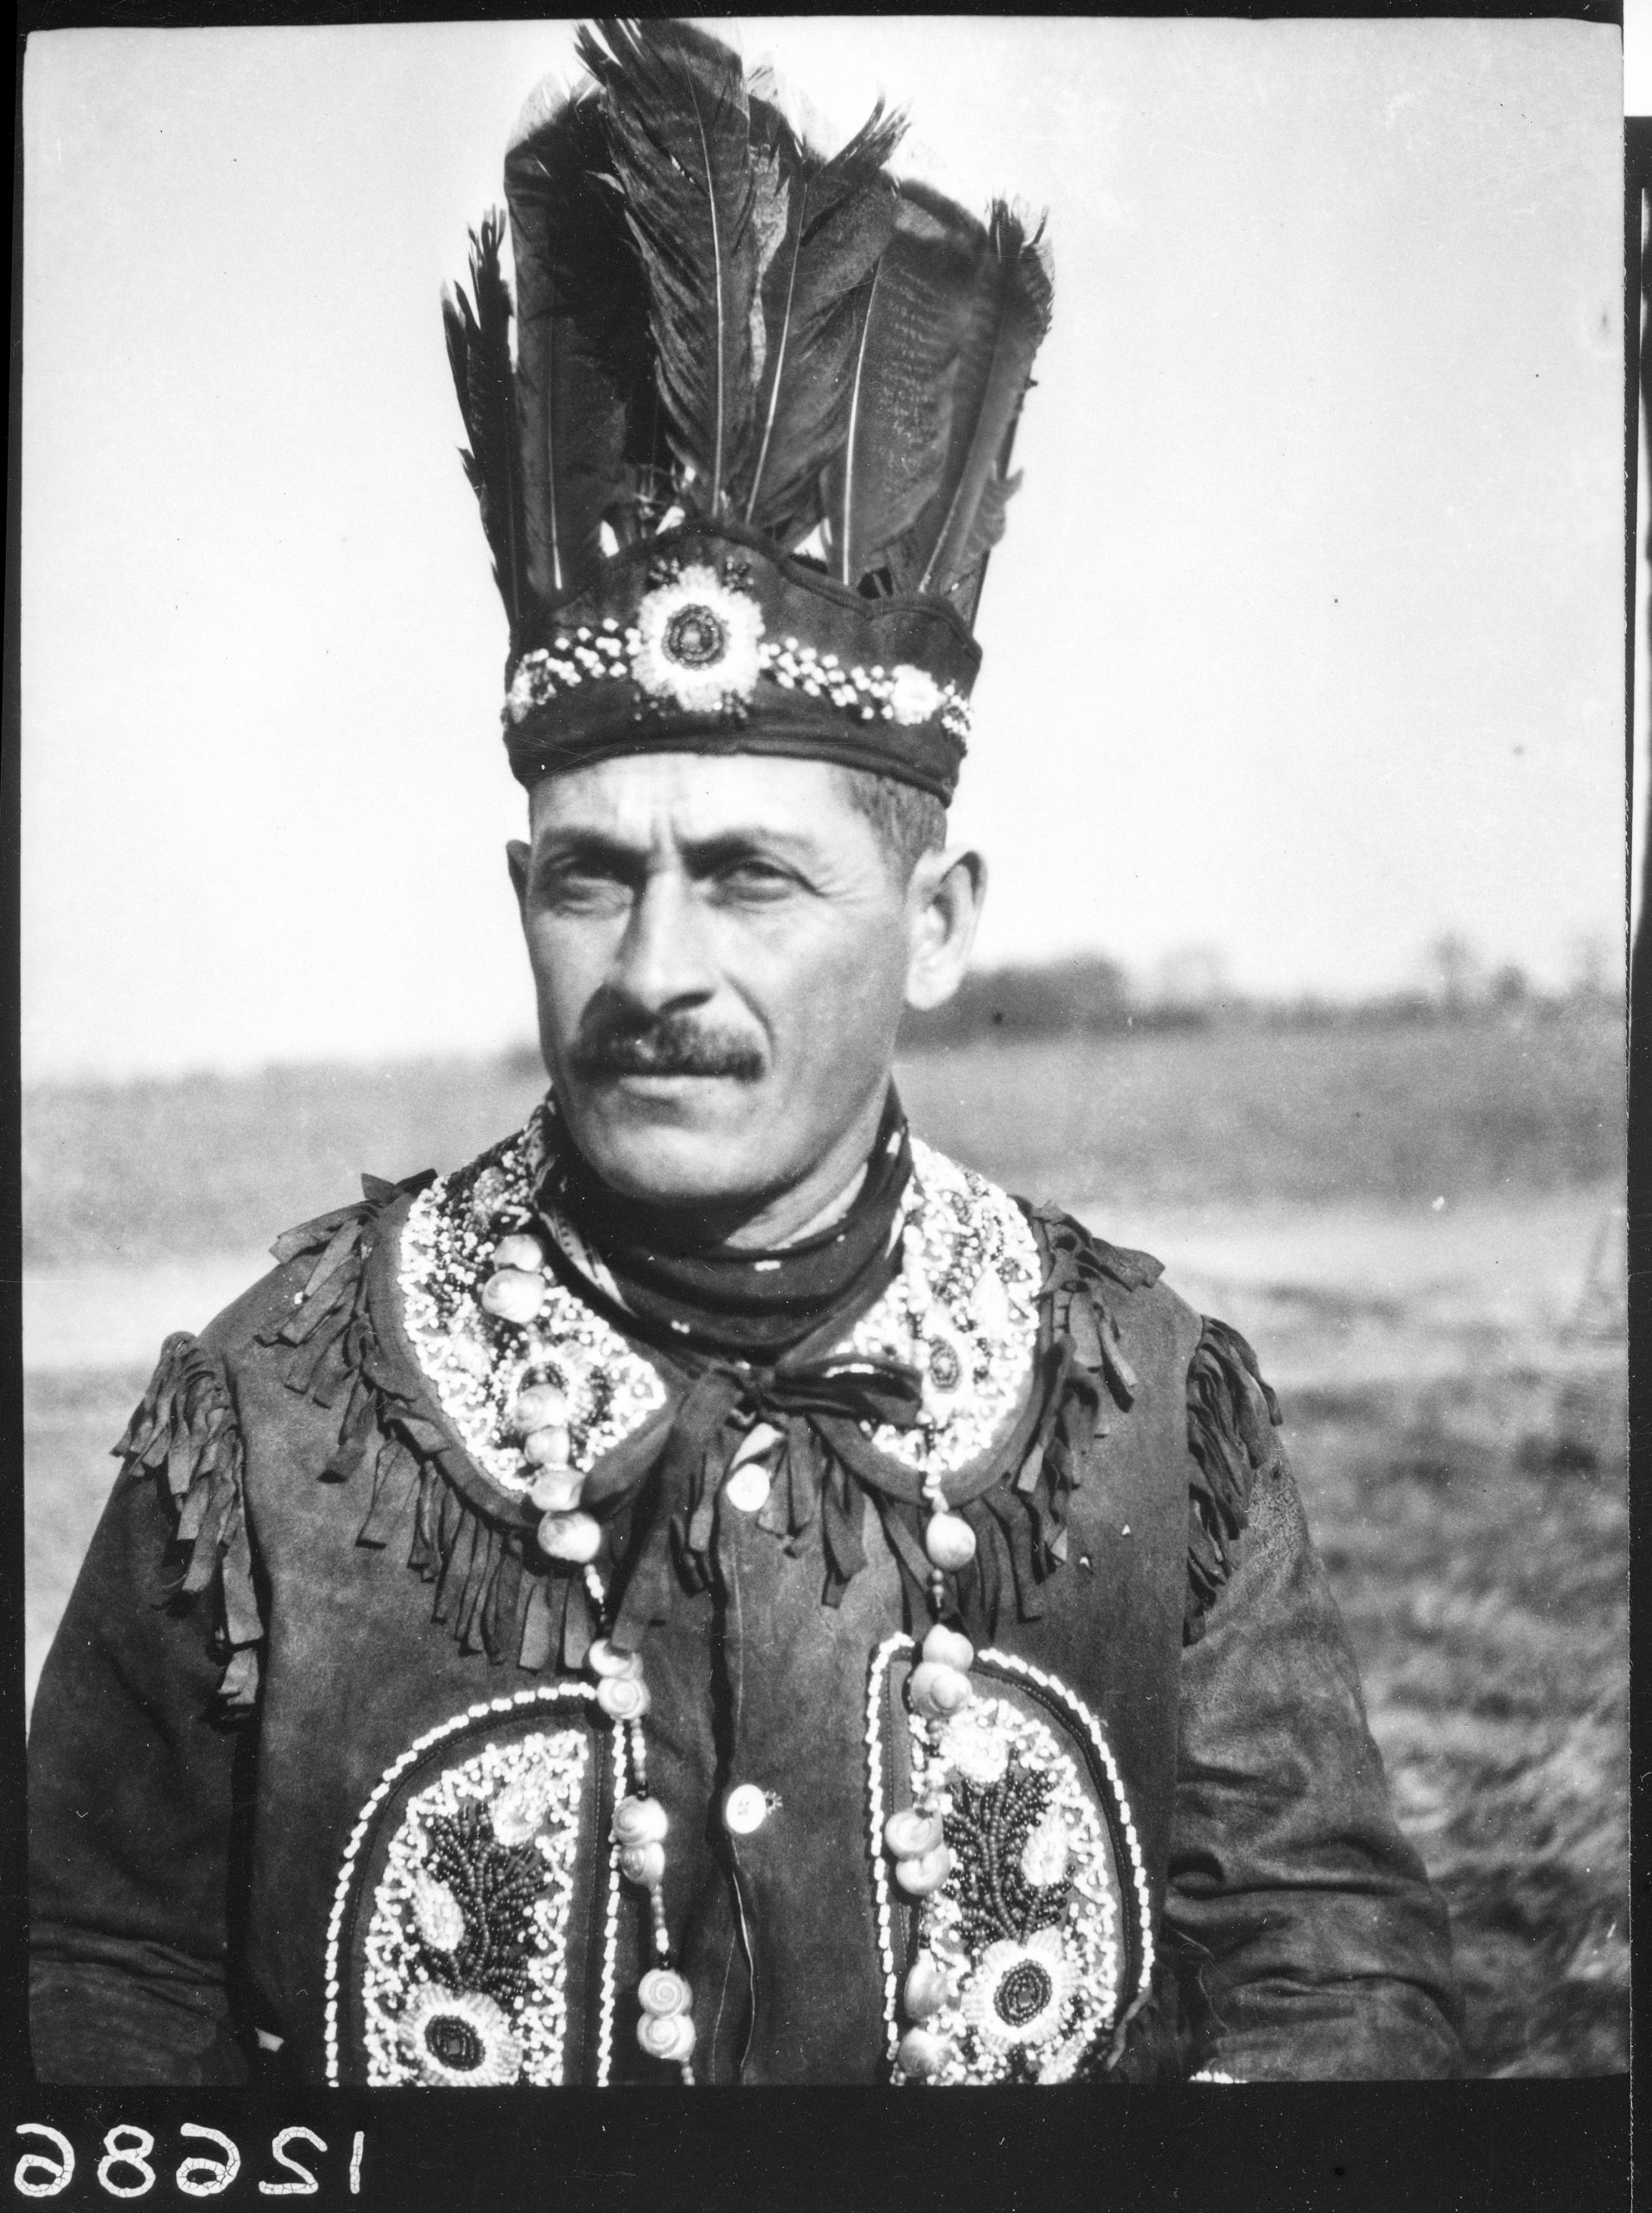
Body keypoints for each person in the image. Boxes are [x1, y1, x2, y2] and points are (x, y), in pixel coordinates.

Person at [28, 17, 1462, 2088]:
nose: (654, 968)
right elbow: (87, 1987)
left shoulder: (1142, 1407)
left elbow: (1337, 1977)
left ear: (936, 923)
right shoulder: (267, 1420)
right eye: (589, 877)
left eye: (750, 878)